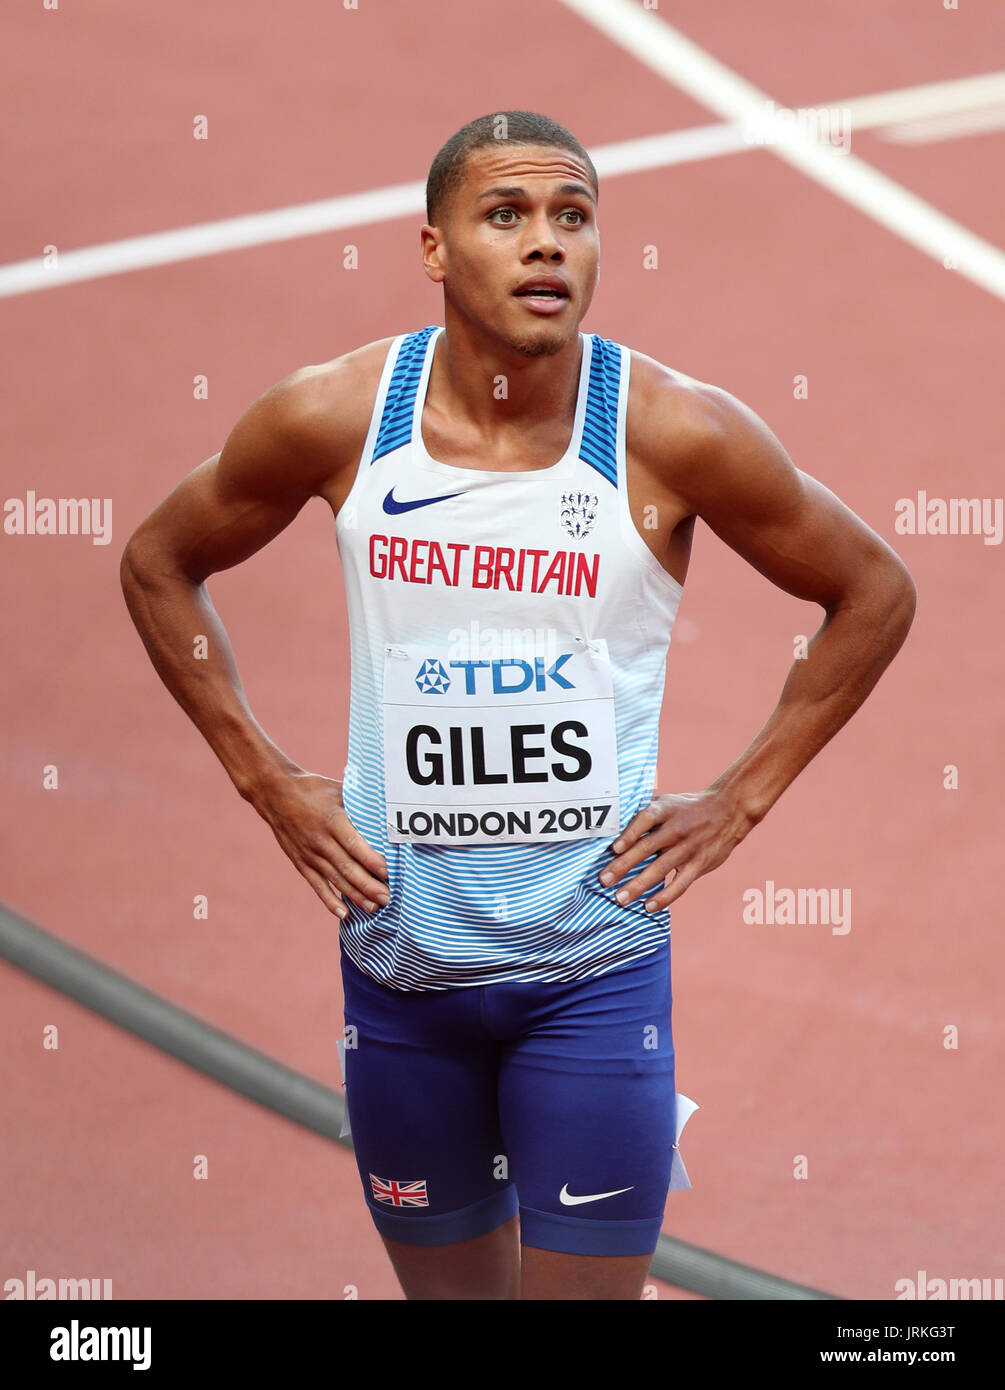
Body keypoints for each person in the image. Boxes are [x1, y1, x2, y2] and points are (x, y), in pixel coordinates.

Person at [120, 111, 916, 1301]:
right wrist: (265, 778)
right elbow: (156, 564)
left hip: (593, 977)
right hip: (400, 975)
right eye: (508, 217)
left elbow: (872, 591)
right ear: (435, 248)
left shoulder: (668, 430)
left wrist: (740, 801)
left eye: (573, 218)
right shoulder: (338, 418)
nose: (547, 245)